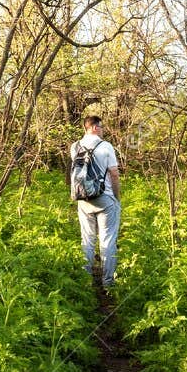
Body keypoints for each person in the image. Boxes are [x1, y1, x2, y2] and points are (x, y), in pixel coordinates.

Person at [71, 115, 122, 288]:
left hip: (83, 199)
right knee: (107, 240)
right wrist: (116, 197)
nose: (102, 130)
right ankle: (108, 283)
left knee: (87, 240)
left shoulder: (74, 147)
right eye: (100, 126)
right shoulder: (106, 146)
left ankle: (86, 282)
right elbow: (114, 174)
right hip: (104, 198)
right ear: (93, 127)